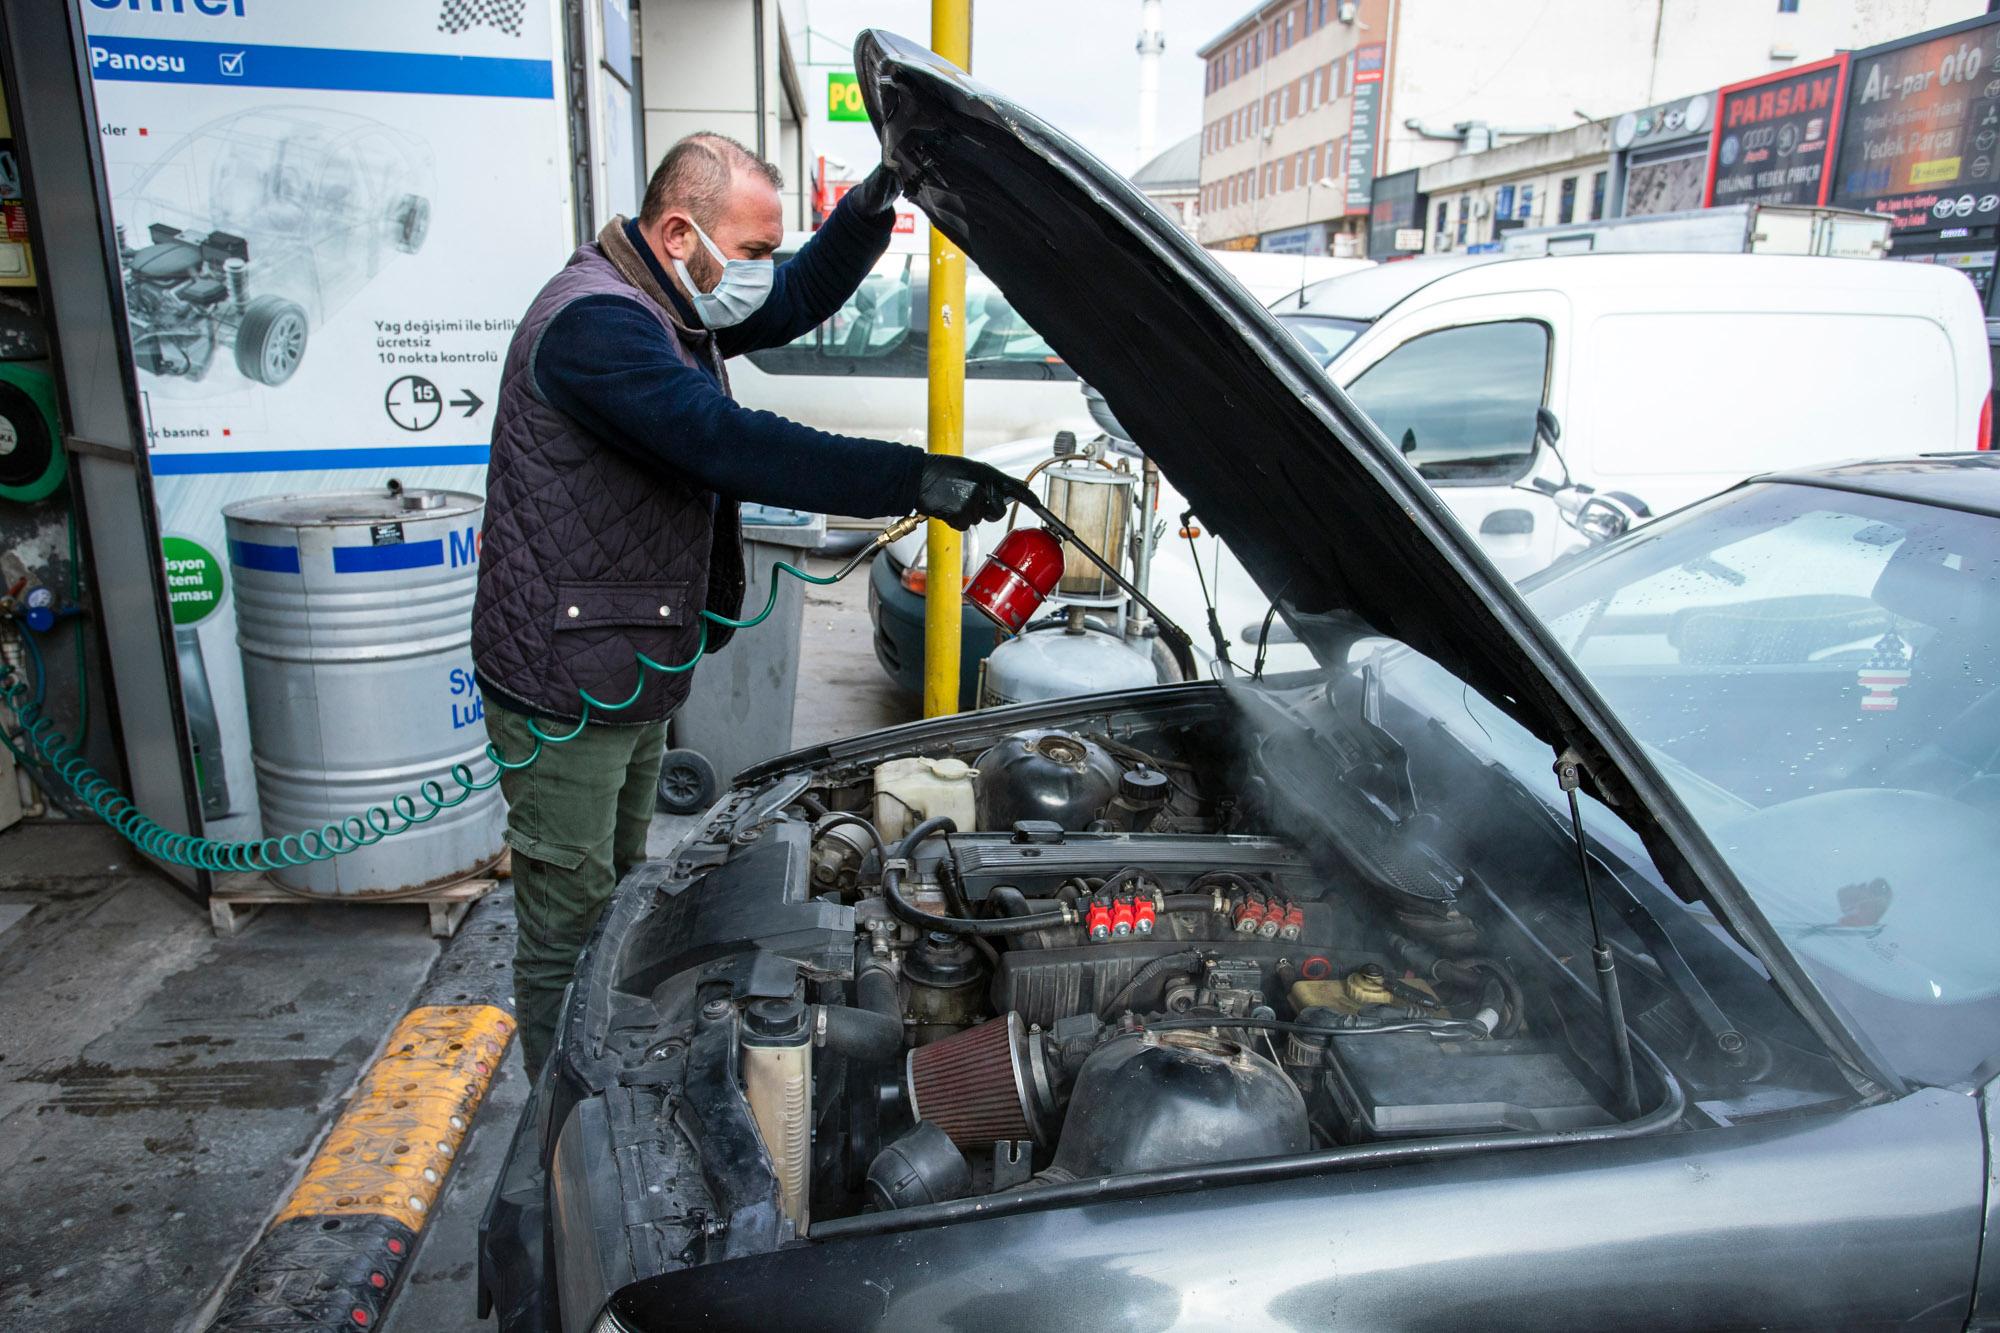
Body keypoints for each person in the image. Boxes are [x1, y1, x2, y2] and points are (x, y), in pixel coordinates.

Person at [471, 132, 1023, 1077]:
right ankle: (558, 1120)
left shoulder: (668, 299)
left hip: (620, 666)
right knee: (568, 925)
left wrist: (871, 205)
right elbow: (723, 440)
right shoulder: (596, 324)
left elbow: (797, 295)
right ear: (679, 234)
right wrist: (912, 477)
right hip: (565, 691)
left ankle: (610, 1067)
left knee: (617, 894)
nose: (763, 270)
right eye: (753, 249)